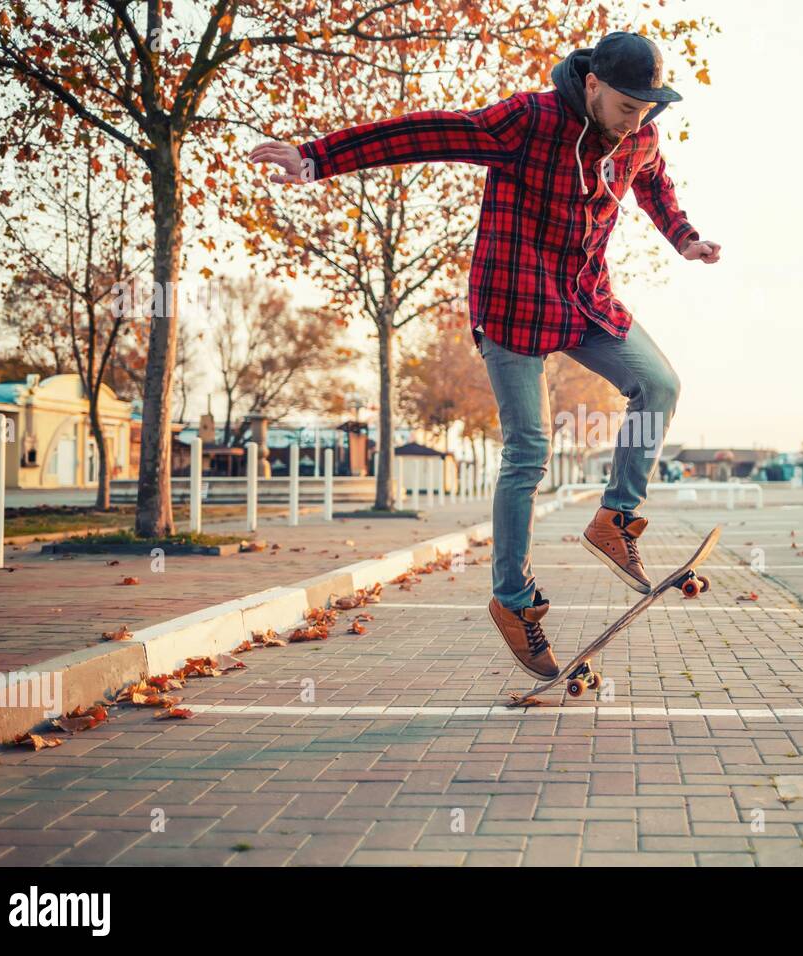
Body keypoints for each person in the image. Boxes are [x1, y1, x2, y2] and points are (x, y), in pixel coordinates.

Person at [249, 32, 720, 681]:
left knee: (659, 384)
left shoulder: (641, 135)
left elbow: (655, 186)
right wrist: (315, 158)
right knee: (528, 449)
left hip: (585, 299)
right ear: (591, 86)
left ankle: (616, 519)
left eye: (645, 109)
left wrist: (685, 238)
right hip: (512, 300)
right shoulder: (528, 120)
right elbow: (427, 134)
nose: (633, 122)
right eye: (624, 107)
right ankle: (513, 598)